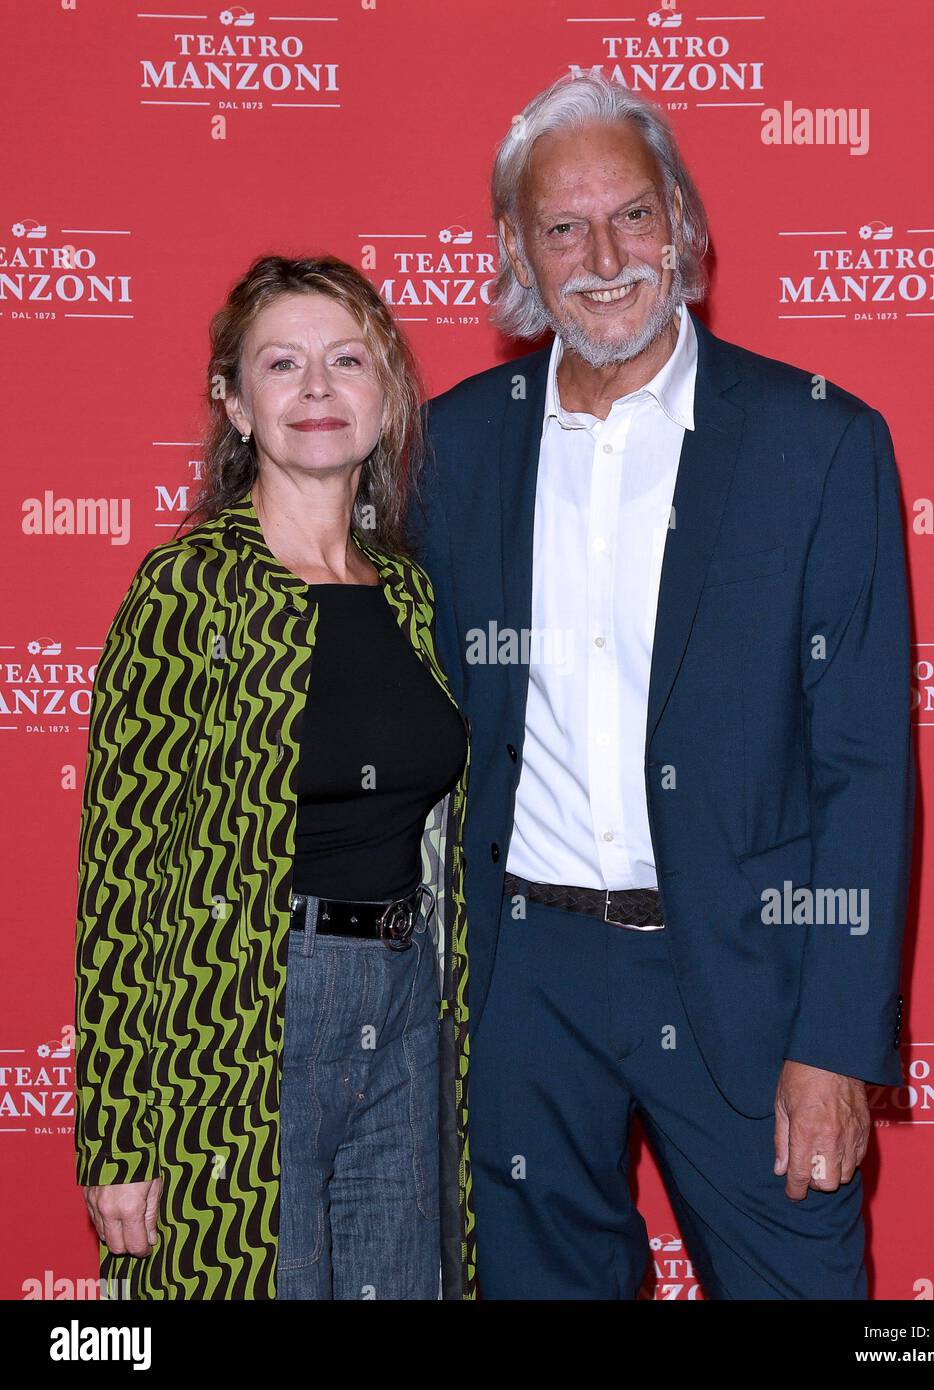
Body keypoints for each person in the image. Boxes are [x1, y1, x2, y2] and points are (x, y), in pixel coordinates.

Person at [409, 71, 915, 1299]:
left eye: (630, 215)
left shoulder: (820, 441)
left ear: (683, 222)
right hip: (521, 980)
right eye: (560, 226)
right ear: (515, 252)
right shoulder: (453, 445)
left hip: (748, 979)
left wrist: (835, 1045)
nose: (600, 257)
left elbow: (861, 767)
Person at [74, 254, 475, 1300]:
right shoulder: (184, 590)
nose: (315, 390)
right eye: (281, 365)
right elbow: (119, 879)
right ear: (235, 405)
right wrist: (120, 1130)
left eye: (346, 361)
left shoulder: (411, 594)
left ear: (384, 396)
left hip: (406, 999)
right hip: (246, 1014)